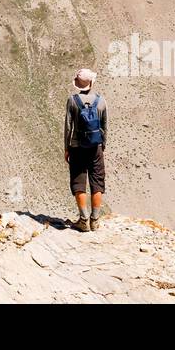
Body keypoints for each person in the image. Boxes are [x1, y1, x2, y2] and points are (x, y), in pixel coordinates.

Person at [63, 67, 107, 231]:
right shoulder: (101, 101)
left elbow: (68, 127)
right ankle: (95, 220)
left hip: (77, 147)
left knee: (79, 182)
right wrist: (103, 146)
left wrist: (67, 148)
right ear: (91, 83)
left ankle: (83, 220)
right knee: (97, 183)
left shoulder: (72, 101)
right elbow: (105, 125)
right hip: (96, 147)